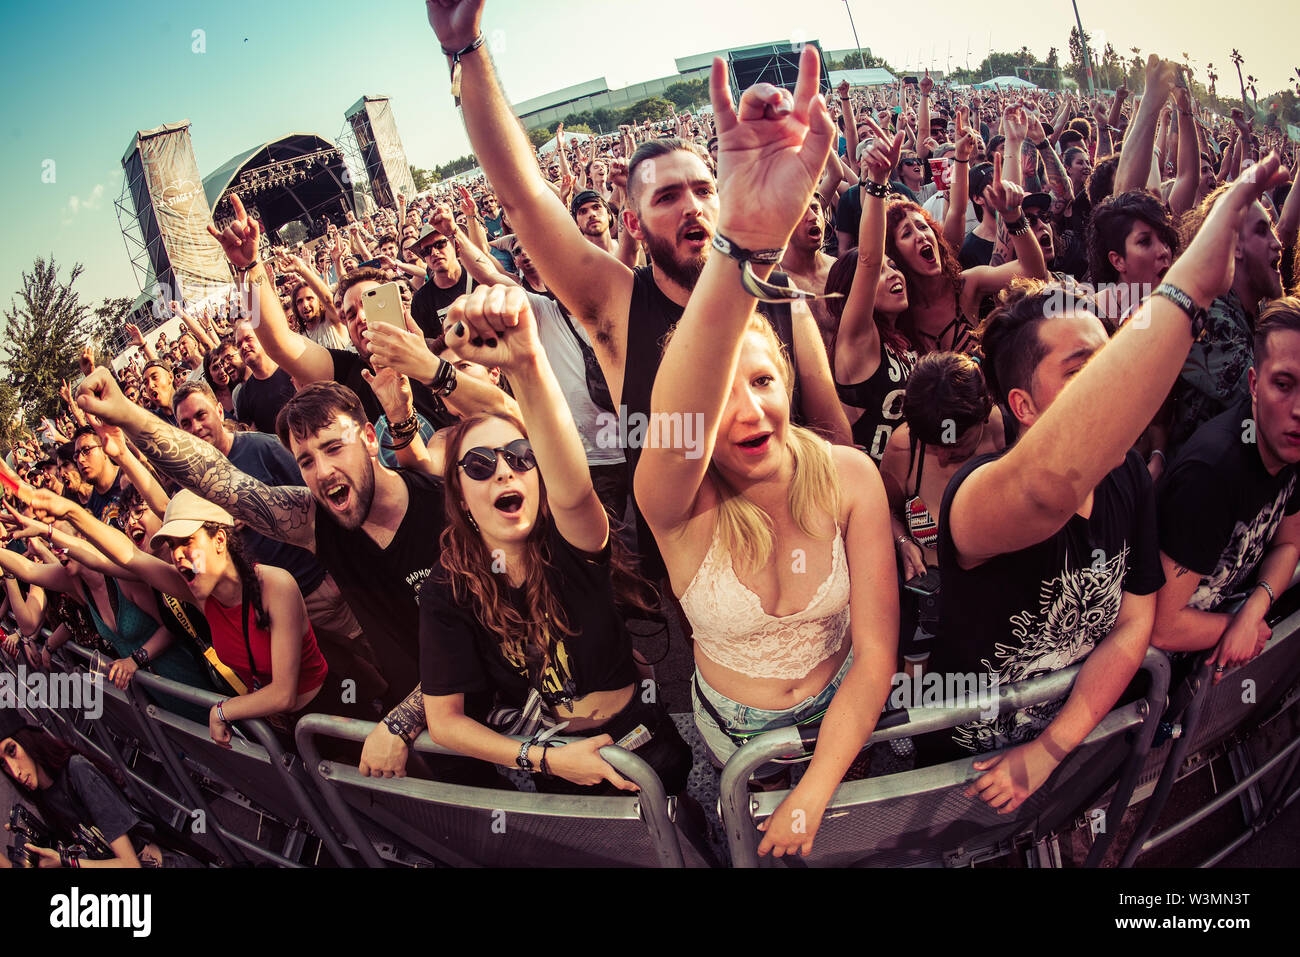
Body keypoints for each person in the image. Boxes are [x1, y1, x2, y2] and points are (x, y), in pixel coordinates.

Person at [922, 146, 1290, 814]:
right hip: (964, 780)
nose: (1109, 384)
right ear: (1023, 406)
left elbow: (1134, 625)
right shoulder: (976, 495)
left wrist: (1052, 748)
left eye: (1111, 361)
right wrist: (1189, 289)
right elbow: (1050, 484)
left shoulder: (1124, 471)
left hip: (1077, 748)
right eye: (1081, 370)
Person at [634, 46, 897, 858]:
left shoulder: (850, 476)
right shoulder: (677, 503)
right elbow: (684, 409)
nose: (744, 411)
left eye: (761, 381)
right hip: (737, 752)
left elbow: (879, 651)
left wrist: (814, 792)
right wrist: (739, 248)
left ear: (786, 377)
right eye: (720, 398)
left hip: (851, 732)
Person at [419, 285, 690, 794]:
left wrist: (526, 362)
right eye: (479, 465)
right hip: (554, 760)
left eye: (521, 457)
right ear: (458, 494)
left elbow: (573, 488)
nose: (504, 472)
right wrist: (541, 759)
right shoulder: (448, 586)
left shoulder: (573, 541)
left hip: (638, 745)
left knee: (681, 842)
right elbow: (445, 722)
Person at [1152, 297, 1300, 679]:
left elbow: (1289, 543)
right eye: (1284, 384)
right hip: (1147, 691)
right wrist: (1238, 628)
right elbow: (1162, 626)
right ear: (1253, 383)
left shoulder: (1292, 445)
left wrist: (1253, 609)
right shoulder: (1213, 473)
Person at [1168, 183, 1287, 455]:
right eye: (1261, 230)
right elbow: (1270, 407)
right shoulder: (1210, 319)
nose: (1277, 243)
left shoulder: (1253, 314)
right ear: (1234, 247)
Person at [827, 125, 917, 461]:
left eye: (893, 266)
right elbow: (867, 258)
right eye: (882, 270)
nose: (894, 273)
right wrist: (878, 184)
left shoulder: (898, 334)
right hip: (877, 491)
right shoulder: (857, 337)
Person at [0, 717, 196, 868]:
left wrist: (66, 861)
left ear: (28, 741)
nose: (14, 771)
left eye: (12, 751)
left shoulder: (76, 771)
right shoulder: (45, 795)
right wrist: (37, 847)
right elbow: (84, 848)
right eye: (2, 764)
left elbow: (130, 864)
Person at [231, 318, 297, 435]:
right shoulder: (244, 397)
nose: (244, 346)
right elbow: (255, 439)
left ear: (262, 338)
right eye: (239, 344)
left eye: (248, 339)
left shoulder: (292, 367)